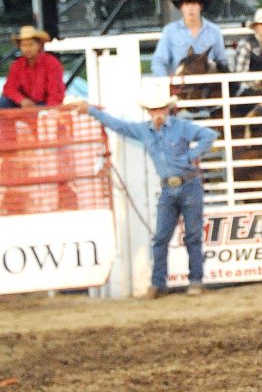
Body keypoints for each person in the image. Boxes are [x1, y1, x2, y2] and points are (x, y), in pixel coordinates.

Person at [73, 84, 215, 297]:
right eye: (154, 110)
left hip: (188, 185)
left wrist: (190, 156)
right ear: (149, 112)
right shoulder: (144, 130)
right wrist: (92, 111)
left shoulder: (181, 126)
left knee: (192, 236)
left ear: (168, 109)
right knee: (160, 238)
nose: (158, 114)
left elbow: (209, 135)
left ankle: (194, 280)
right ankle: (159, 283)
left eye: (161, 109)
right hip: (170, 186)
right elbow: (117, 125)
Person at [151, 0, 228, 77]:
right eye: (187, 4)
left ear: (201, 7)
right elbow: (159, 61)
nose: (191, 8)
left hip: (208, 86)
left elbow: (222, 62)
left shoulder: (214, 31)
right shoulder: (170, 31)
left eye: (195, 4)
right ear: (181, 7)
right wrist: (166, 83)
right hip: (179, 86)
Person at [1, 25, 65, 108]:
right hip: (22, 103)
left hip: (44, 104)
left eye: (31, 45)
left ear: (39, 45)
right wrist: (21, 100)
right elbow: (9, 89)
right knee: (3, 102)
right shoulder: (17, 65)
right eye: (24, 45)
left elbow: (55, 93)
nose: (27, 49)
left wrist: (47, 110)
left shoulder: (52, 63)